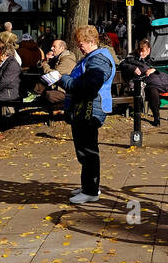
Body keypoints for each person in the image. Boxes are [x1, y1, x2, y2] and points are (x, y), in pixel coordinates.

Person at [43, 25, 115, 204]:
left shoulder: (98, 60)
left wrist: (63, 79)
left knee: (87, 150)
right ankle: (88, 186)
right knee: (85, 149)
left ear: (91, 42)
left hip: (90, 109)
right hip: (87, 108)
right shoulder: (95, 57)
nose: (79, 47)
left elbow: (88, 84)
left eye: (81, 43)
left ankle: (90, 190)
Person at [120, 36, 168, 126]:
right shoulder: (133, 59)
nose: (141, 53)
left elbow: (166, 65)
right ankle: (156, 118)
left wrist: (154, 69)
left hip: (167, 84)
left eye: (144, 51)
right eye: (140, 51)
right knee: (152, 91)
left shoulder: (157, 57)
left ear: (149, 50)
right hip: (152, 85)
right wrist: (133, 68)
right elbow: (122, 63)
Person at [25, 37, 77, 115]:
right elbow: (39, 67)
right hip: (54, 88)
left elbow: (53, 75)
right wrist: (46, 60)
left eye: (54, 46)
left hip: (63, 91)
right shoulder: (57, 57)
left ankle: (34, 93)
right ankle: (34, 93)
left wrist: (45, 64)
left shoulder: (67, 59)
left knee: (49, 95)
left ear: (62, 48)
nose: (51, 48)